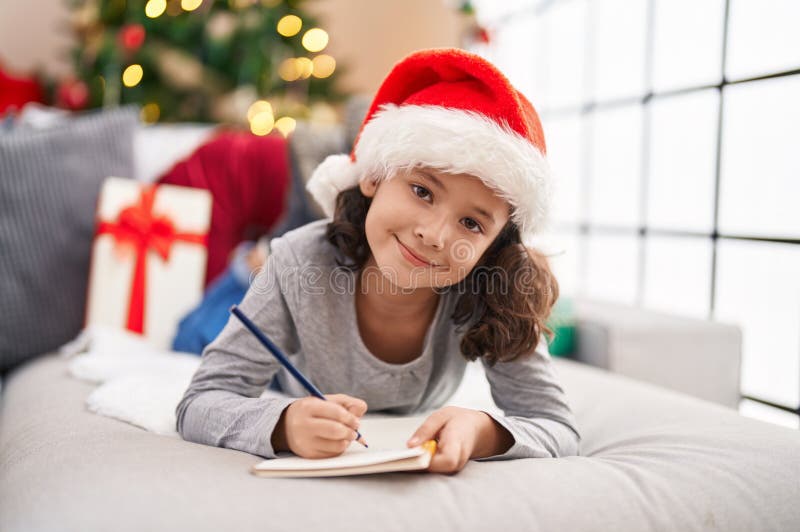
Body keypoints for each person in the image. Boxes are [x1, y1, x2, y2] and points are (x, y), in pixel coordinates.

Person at [175, 48, 580, 474]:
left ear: (495, 246)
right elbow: (200, 401)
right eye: (422, 191)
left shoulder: (490, 289)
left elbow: (557, 426)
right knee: (195, 331)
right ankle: (246, 263)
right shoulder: (297, 262)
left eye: (471, 223)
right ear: (373, 174)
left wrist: (484, 430)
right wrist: (284, 425)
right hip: (278, 316)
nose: (435, 235)